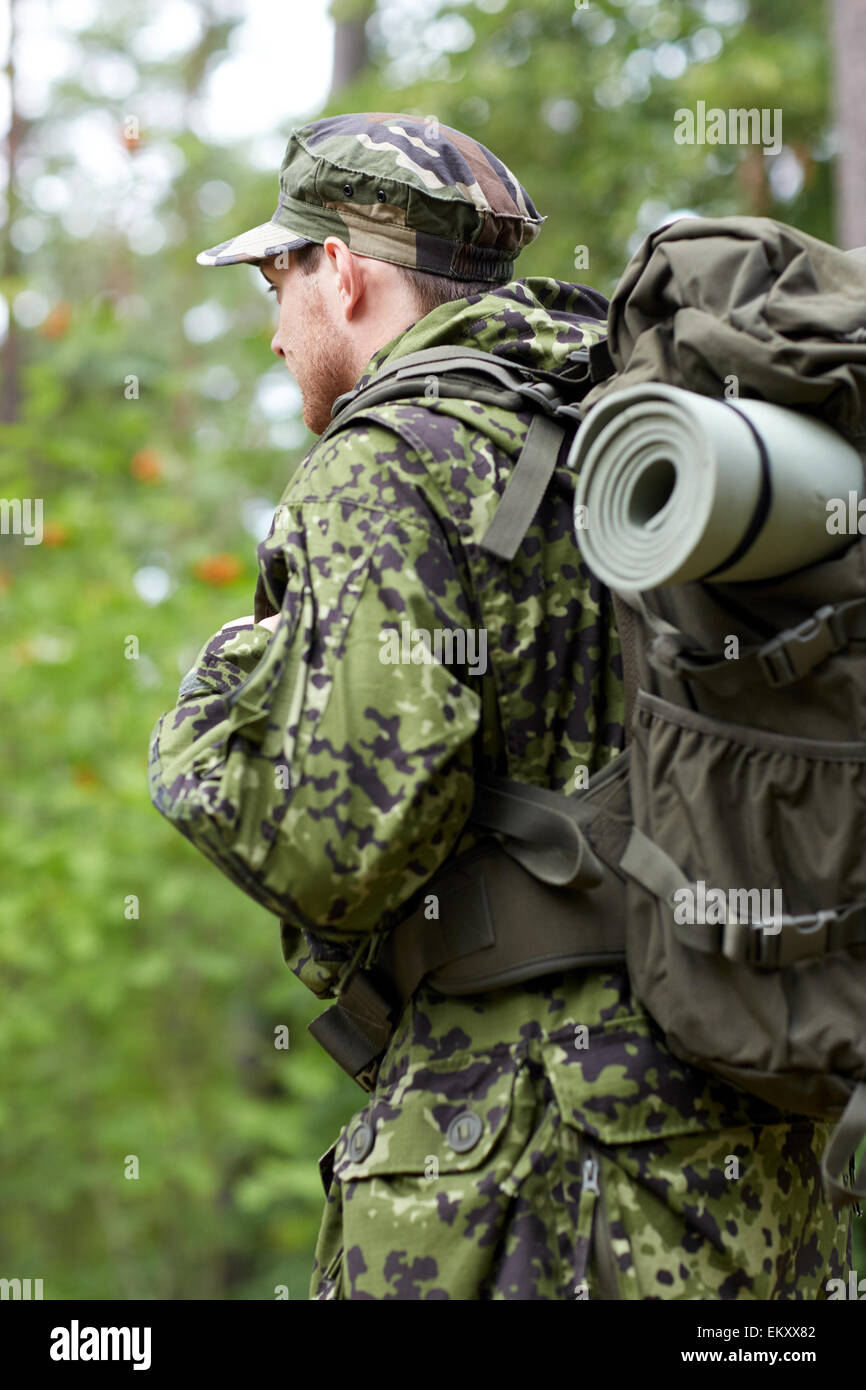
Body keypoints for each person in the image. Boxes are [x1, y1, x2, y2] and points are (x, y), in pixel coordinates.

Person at [149, 112, 851, 1300]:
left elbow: (346, 847)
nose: (273, 330)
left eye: (279, 274)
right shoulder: (632, 421)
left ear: (346, 271)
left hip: (525, 1155)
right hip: (743, 1131)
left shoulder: (385, 461)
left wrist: (205, 714)